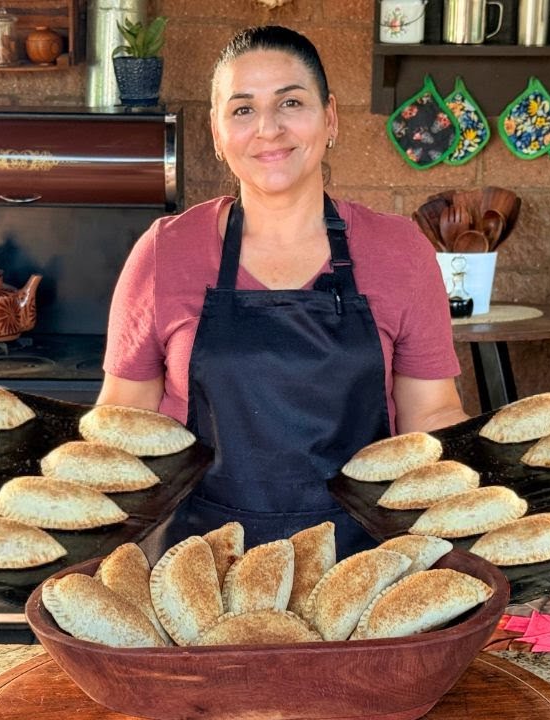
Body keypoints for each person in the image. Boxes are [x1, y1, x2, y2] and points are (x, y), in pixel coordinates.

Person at [100, 25, 469, 557]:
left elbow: (430, 417)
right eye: (242, 109)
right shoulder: (166, 251)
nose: (268, 128)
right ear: (216, 131)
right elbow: (125, 424)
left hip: (365, 569)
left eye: (291, 102)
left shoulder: (399, 249)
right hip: (197, 571)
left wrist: (505, 476)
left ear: (330, 118)